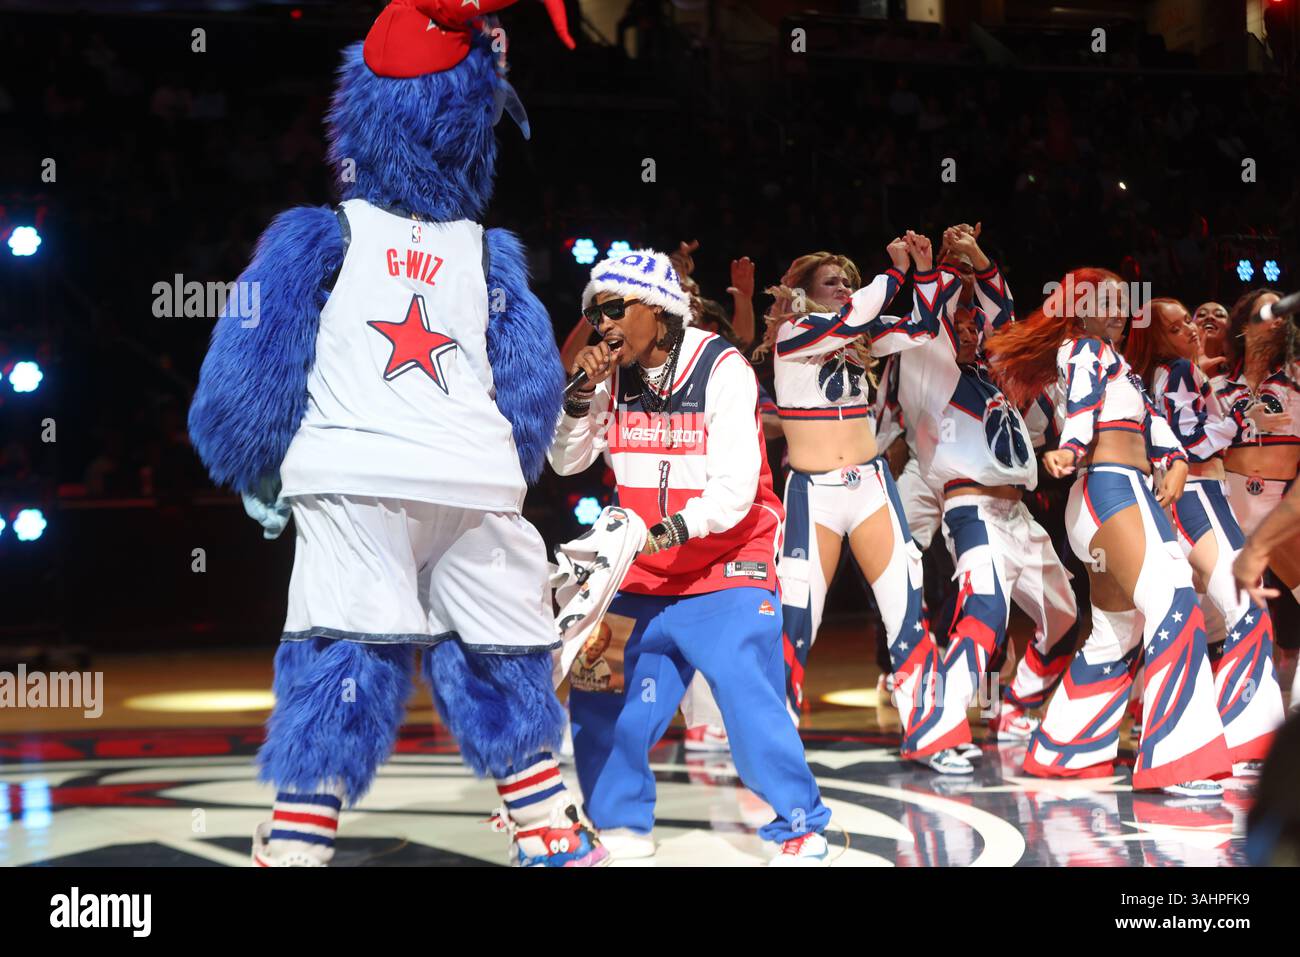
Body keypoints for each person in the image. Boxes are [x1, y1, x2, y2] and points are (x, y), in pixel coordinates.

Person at [187, 0, 606, 868]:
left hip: (356, 471)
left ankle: (298, 845)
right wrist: (505, 470)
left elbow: (247, 367)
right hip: (476, 479)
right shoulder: (487, 253)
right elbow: (530, 390)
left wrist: (249, 462)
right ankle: (551, 832)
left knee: (344, 653)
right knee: (502, 651)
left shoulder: (324, 235)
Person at [549, 247, 833, 865]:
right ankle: (619, 821)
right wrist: (577, 397)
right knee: (602, 694)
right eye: (596, 314)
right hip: (639, 576)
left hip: (726, 566)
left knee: (747, 692)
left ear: (659, 309)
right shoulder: (607, 376)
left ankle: (799, 822)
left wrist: (665, 532)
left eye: (616, 309)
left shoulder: (721, 365)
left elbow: (735, 490)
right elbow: (565, 461)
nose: (605, 325)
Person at [984, 268, 1231, 795]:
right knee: (1175, 602)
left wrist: (1177, 462)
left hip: (1124, 495)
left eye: (1124, 301)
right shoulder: (1083, 352)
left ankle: (1064, 749)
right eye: (1108, 301)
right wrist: (1071, 449)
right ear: (1080, 309)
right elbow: (1084, 407)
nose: (1120, 309)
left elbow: (1155, 429)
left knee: (1118, 632)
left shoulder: (1120, 365)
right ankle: (1179, 760)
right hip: (1109, 492)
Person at [752, 240, 973, 774]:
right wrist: (893, 273)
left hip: (872, 484)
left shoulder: (859, 339)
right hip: (815, 493)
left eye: (848, 281)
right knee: (798, 618)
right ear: (803, 295)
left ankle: (933, 733)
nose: (844, 289)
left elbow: (921, 327)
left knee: (906, 608)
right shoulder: (795, 333)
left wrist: (924, 271)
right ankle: (773, 742)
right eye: (832, 282)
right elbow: (861, 311)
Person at [890, 225, 1079, 749]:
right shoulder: (927, 363)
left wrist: (980, 259)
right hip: (971, 511)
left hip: (1021, 517)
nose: (970, 328)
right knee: (985, 613)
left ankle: (1015, 708)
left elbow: (1006, 322)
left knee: (1065, 619)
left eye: (973, 324)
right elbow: (932, 314)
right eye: (960, 322)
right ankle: (937, 730)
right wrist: (949, 265)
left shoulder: (994, 376)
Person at [1126, 297, 1286, 772]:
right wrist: (1243, 420)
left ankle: (1220, 733)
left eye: (1188, 322)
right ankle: (1242, 738)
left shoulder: (1179, 371)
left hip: (1202, 494)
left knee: (1227, 610)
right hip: (1196, 492)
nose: (1191, 330)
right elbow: (1191, 442)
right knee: (1248, 607)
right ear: (1159, 340)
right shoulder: (1175, 371)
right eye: (1178, 328)